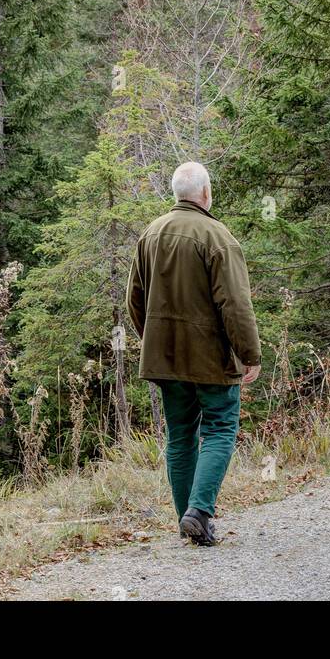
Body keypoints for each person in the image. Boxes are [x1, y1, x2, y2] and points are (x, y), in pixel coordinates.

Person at [126, 160, 261, 546]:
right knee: (220, 427)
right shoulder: (217, 237)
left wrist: (155, 340)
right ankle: (199, 512)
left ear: (176, 194)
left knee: (180, 436)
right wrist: (249, 354)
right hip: (211, 360)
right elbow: (235, 304)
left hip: (166, 359)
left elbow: (134, 301)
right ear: (205, 194)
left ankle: (188, 519)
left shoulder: (150, 235)